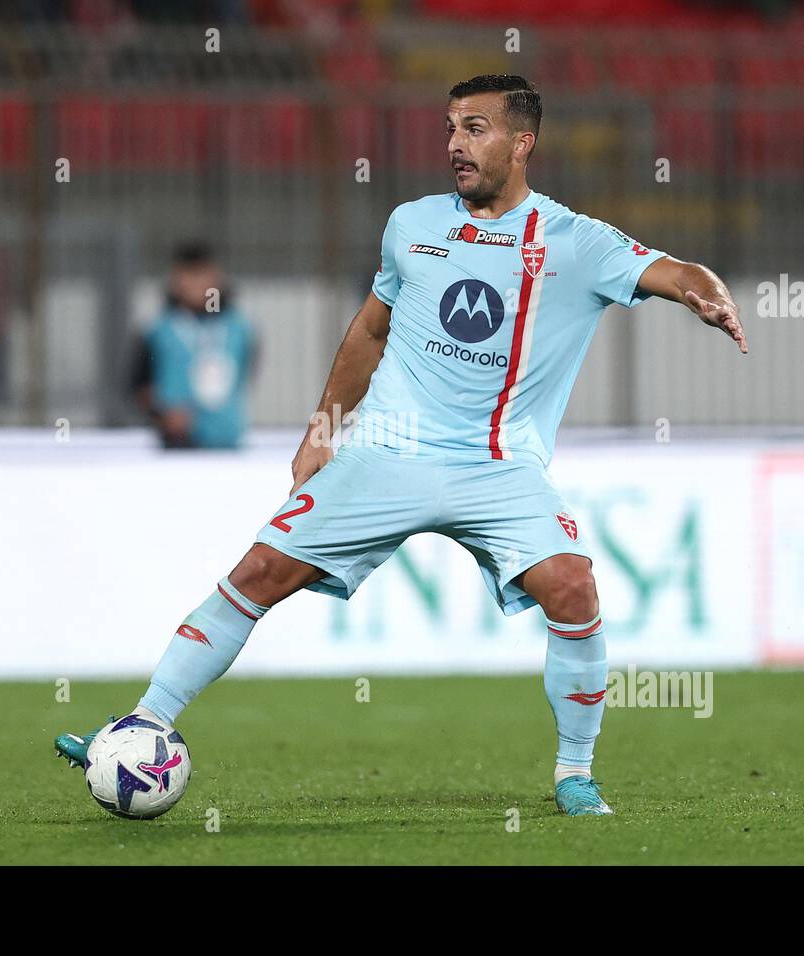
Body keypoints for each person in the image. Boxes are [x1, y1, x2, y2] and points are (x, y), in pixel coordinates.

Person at [61, 75, 747, 815]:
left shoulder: (576, 241)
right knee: (261, 570)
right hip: (386, 451)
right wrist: (323, 430)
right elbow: (370, 330)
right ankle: (145, 719)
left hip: (497, 466)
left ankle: (574, 774)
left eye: (476, 128)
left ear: (523, 144)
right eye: (451, 127)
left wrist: (703, 291)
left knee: (573, 586)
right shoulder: (411, 225)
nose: (455, 144)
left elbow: (673, 270)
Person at [130, 243, 256, 449]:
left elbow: (244, 375)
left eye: (202, 274)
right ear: (175, 279)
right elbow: (138, 385)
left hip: (229, 445)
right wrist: (163, 416)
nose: (196, 283)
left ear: (216, 277)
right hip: (178, 446)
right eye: (188, 275)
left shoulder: (240, 328)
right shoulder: (157, 329)